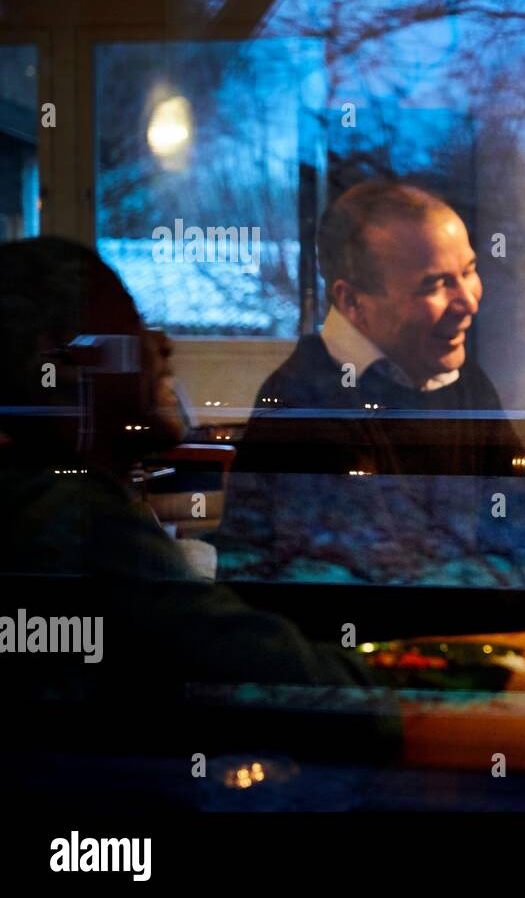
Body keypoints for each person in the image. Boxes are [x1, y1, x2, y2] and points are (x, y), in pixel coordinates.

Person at [0, 237, 402, 761]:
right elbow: (308, 691)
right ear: (64, 353)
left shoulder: (42, 499)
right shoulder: (67, 519)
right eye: (133, 323)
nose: (162, 344)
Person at [217, 181, 525, 626]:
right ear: (352, 301)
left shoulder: (459, 379)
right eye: (436, 284)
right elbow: (398, 587)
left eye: (469, 270)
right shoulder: (306, 405)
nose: (468, 300)